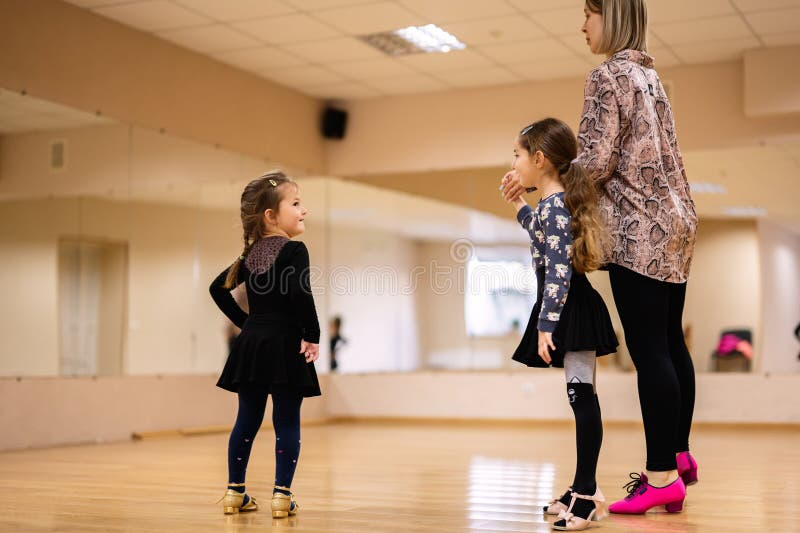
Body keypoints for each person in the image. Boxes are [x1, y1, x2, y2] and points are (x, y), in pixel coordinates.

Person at [505, 0, 698, 515]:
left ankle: (660, 478)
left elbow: (595, 159)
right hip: (678, 223)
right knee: (670, 343)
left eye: (589, 14)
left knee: (649, 350)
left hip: (641, 231)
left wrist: (547, 182)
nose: (582, 25)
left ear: (609, 17)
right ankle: (677, 455)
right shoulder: (652, 78)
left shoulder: (607, 75)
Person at [503, 118, 618, 531]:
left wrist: (547, 324)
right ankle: (581, 485)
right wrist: (518, 205)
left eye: (517, 155)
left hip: (571, 307)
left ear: (540, 159)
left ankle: (587, 493)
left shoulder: (555, 204)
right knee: (579, 396)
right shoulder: (553, 204)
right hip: (570, 306)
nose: (513, 163)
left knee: (581, 397)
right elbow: (543, 241)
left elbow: (558, 270)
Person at [209, 171, 321, 518]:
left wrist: (249, 326)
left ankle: (234, 492)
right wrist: (312, 335)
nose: (304, 210)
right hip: (286, 346)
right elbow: (302, 294)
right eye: (296, 203)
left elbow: (217, 289)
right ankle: (281, 495)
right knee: (286, 422)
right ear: (271, 216)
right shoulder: (293, 250)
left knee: (246, 420)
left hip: (253, 348)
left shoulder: (252, 254)